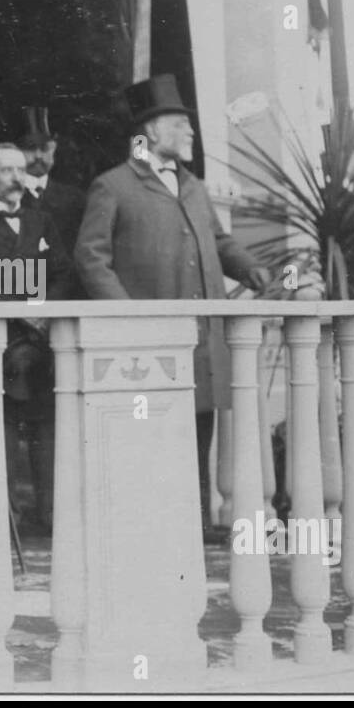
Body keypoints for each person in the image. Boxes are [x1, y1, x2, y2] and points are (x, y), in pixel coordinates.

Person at [74, 74, 269, 536]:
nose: (190, 133)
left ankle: (196, 520)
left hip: (200, 338)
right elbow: (91, 257)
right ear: (150, 133)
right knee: (151, 436)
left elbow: (219, 241)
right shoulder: (113, 186)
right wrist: (128, 317)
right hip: (150, 343)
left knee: (197, 430)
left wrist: (252, 270)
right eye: (180, 125)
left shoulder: (194, 186)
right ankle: (154, 523)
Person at [0, 142, 74, 531]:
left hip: (40, 340)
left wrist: (42, 311)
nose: (16, 178)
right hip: (1, 340)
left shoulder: (40, 220)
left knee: (47, 426)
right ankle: (6, 516)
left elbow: (61, 272)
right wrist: (27, 308)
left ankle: (52, 515)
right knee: (1, 428)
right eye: (6, 171)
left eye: (20, 170)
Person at [16, 106, 87, 260]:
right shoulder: (6, 198)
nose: (38, 156)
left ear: (53, 149)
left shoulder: (75, 198)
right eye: (30, 149)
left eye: (44, 148)